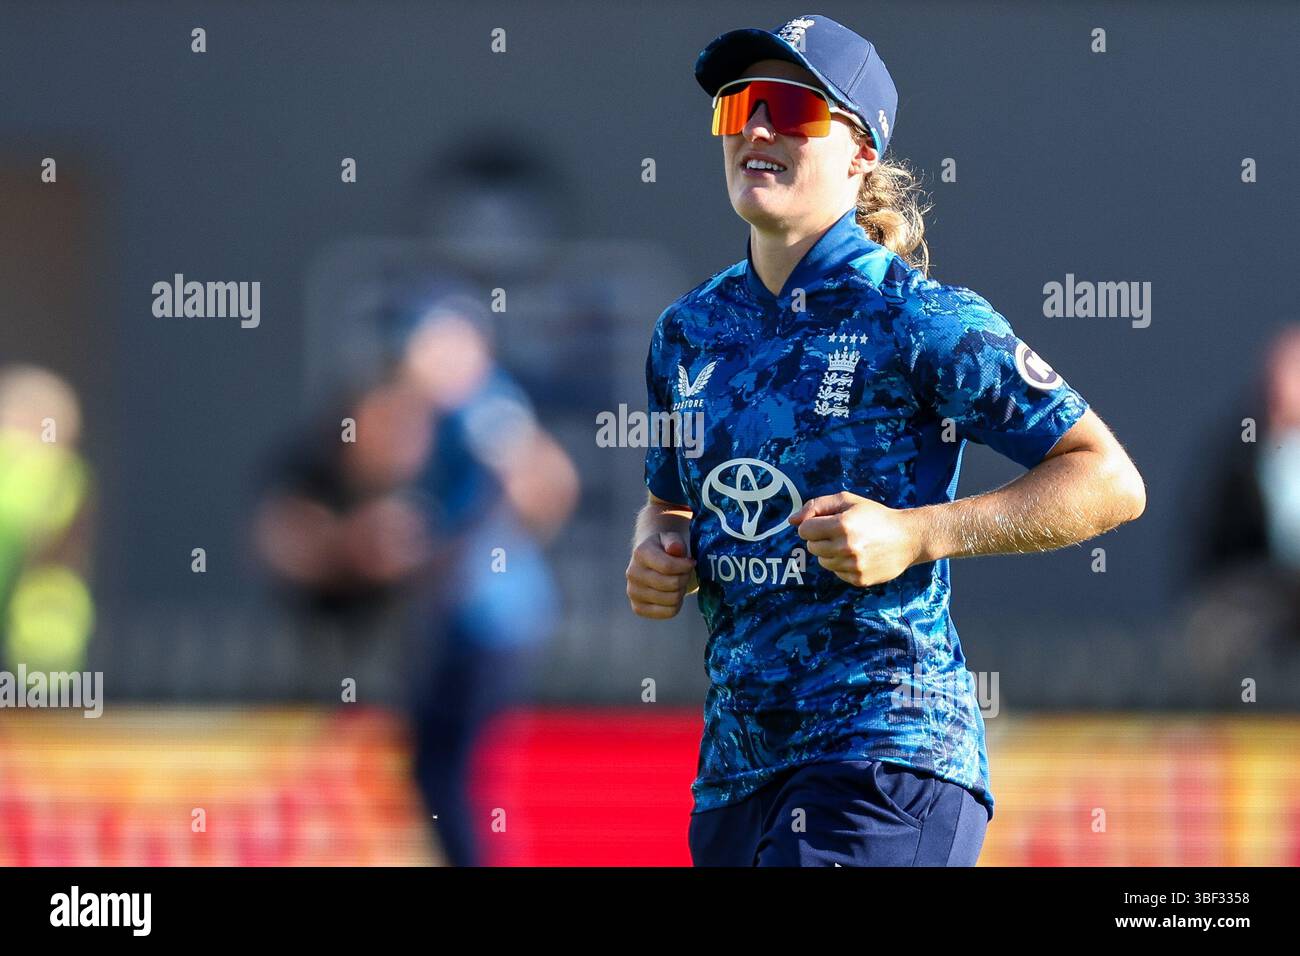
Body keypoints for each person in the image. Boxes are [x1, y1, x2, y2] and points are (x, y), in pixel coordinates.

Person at [625, 15, 1145, 867]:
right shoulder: (688, 332)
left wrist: (916, 533)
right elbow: (668, 504)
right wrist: (655, 552)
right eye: (738, 107)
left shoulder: (920, 319)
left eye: (790, 108)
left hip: (886, 759)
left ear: (861, 151)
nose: (757, 128)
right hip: (733, 780)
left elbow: (1109, 480)